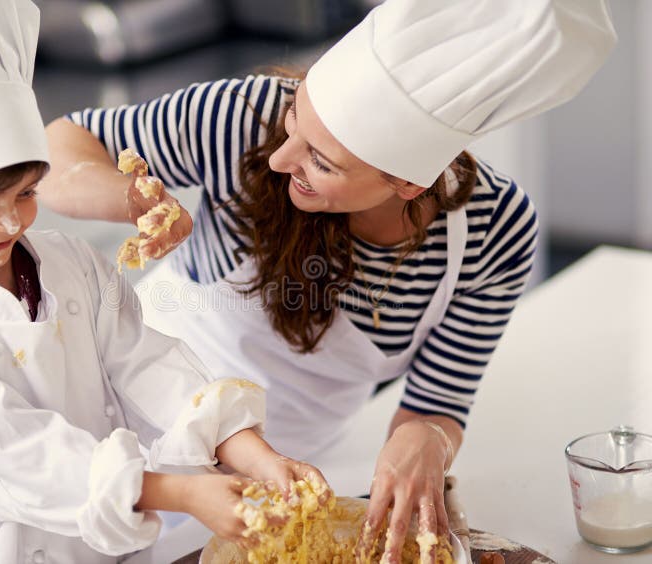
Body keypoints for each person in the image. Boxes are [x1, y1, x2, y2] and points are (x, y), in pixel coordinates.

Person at [39, 0, 616, 561]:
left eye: (321, 161)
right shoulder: (244, 119)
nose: (280, 159)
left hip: (282, 471)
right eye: (296, 120)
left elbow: (437, 403)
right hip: (122, 422)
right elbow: (61, 144)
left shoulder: (496, 232)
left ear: (409, 184)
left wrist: (430, 439)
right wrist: (132, 200)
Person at [0, 2, 329, 563]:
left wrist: (248, 450)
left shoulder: (70, 261)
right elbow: (24, 455)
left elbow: (147, 364)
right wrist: (178, 492)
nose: (10, 222)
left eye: (26, 194)